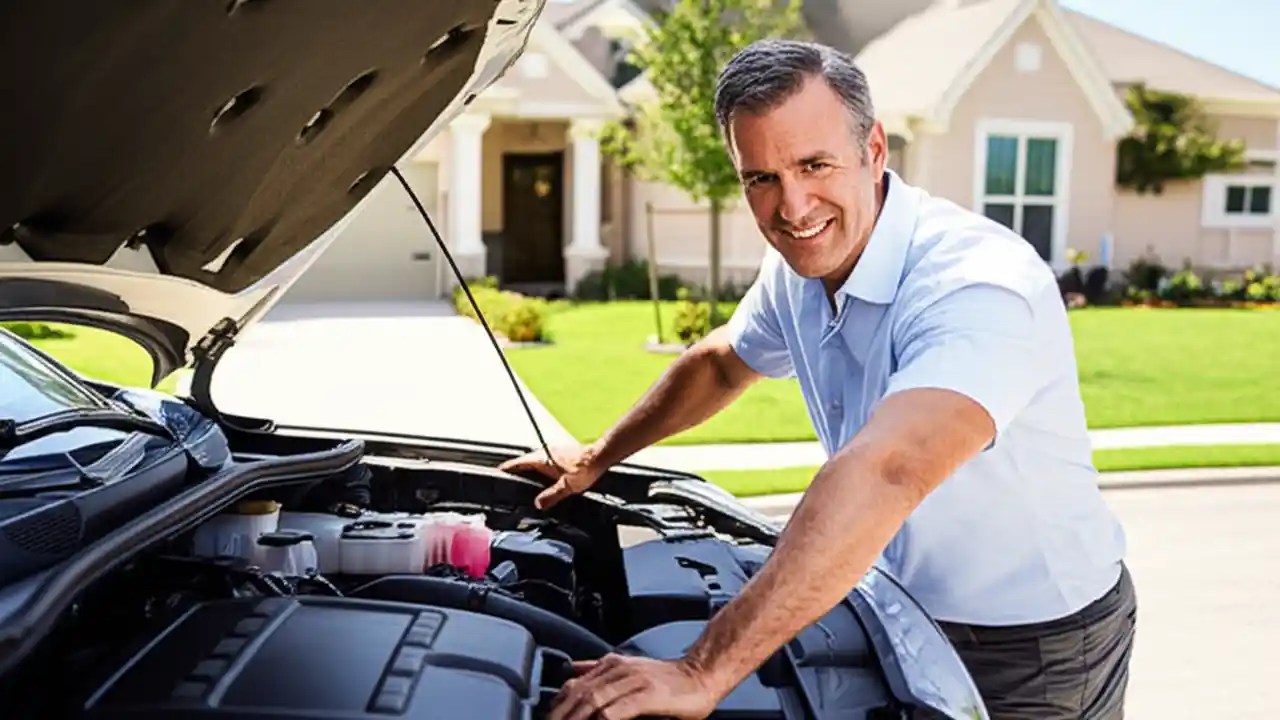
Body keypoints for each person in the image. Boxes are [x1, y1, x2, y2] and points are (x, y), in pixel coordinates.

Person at [501, 38, 1137, 720]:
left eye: (814, 165)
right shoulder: (803, 268)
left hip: (1033, 645)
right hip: (896, 603)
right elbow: (721, 361)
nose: (793, 207)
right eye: (762, 179)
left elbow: (889, 469)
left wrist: (699, 670)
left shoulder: (977, 286)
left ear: (874, 151)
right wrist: (600, 456)